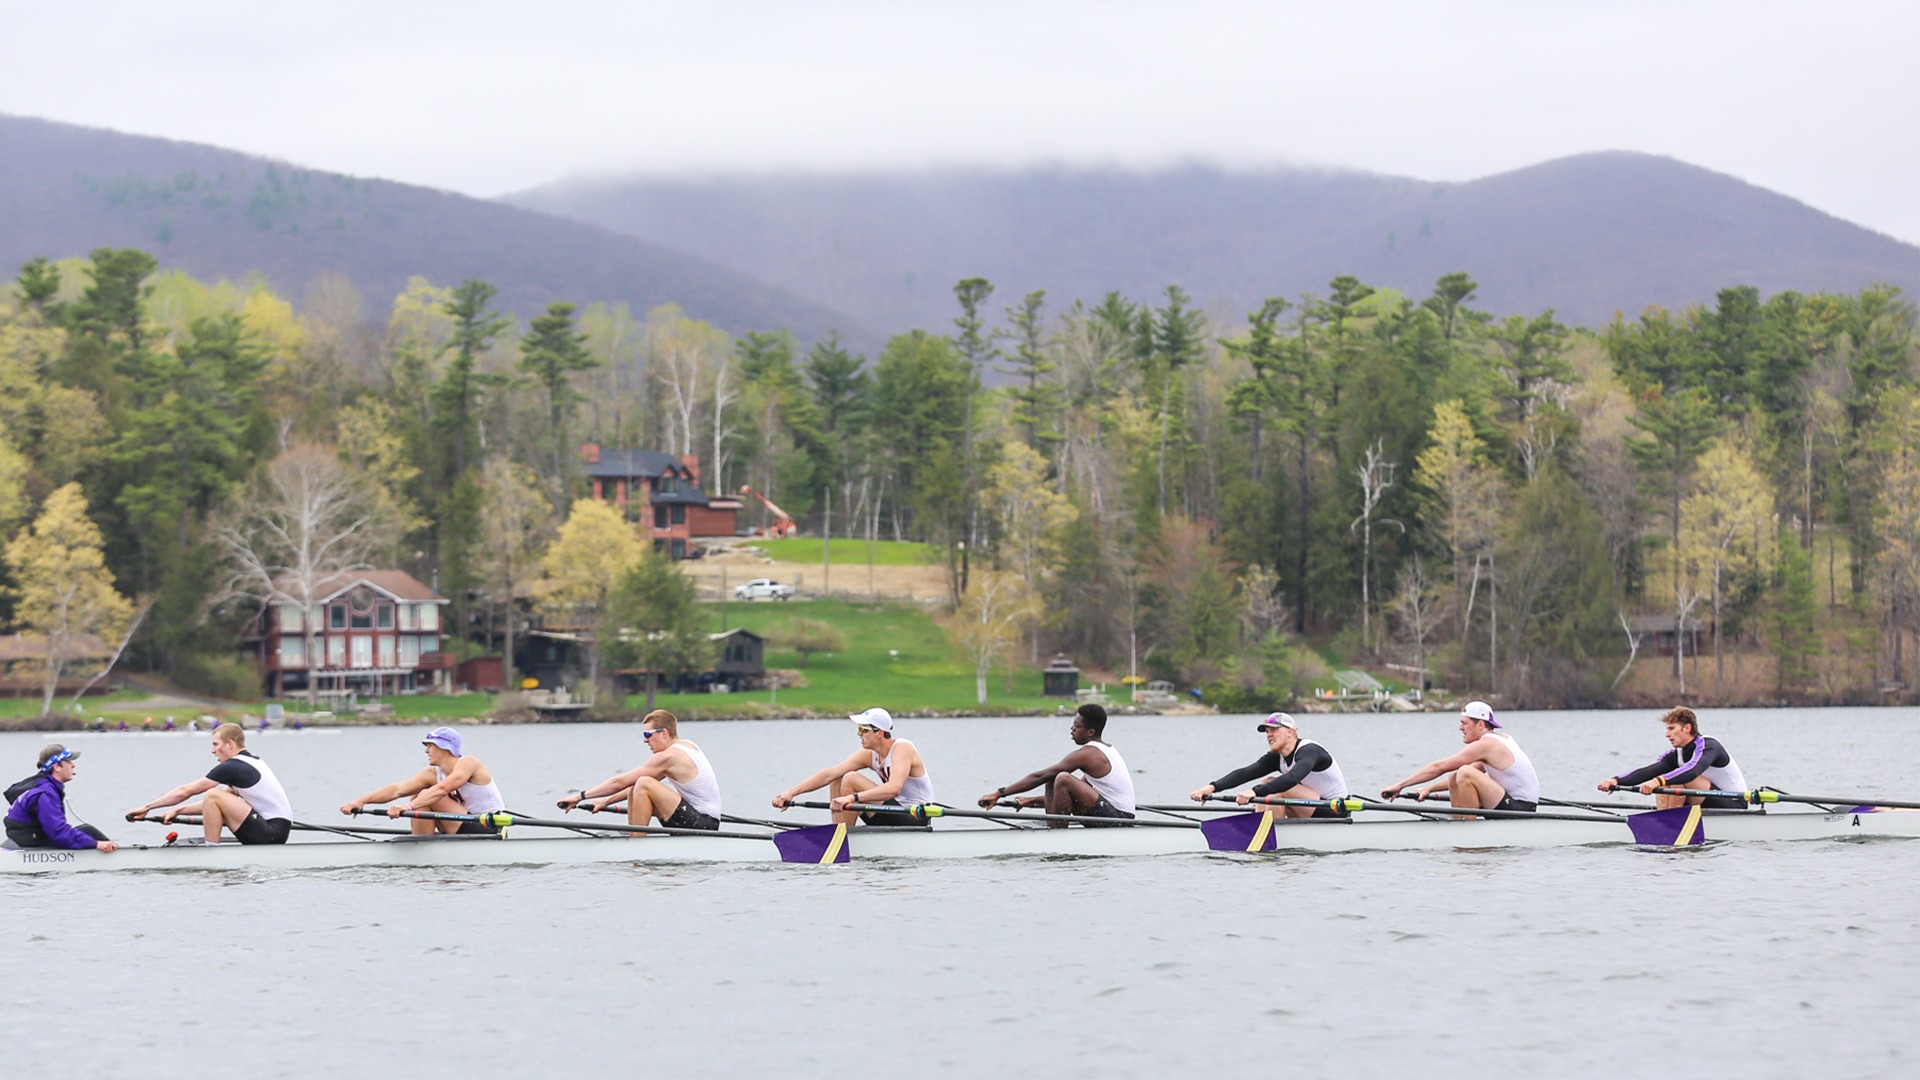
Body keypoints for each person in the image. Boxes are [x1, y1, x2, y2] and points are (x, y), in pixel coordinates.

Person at [125, 723, 294, 845]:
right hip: (276, 831)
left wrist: (147, 807)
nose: (212, 751)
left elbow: (186, 791)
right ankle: (212, 849)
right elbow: (217, 803)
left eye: (215, 745)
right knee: (218, 796)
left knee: (212, 794)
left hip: (270, 833)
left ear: (229, 744)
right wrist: (178, 810)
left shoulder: (233, 766)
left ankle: (211, 851)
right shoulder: (252, 761)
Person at [557, 709, 722, 833]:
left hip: (702, 824)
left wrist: (580, 796)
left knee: (643, 782)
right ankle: (636, 836)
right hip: (698, 819)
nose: (645, 740)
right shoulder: (687, 745)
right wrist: (605, 801)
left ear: (663, 733)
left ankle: (637, 843)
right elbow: (630, 785)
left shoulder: (670, 756)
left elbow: (619, 782)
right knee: (639, 785)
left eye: (648, 734)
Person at [977, 703, 1135, 827]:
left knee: (1062, 778)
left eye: (1077, 726)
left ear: (1090, 732)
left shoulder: (1089, 754)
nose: (1072, 729)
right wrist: (1030, 801)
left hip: (1120, 821)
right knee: (1054, 780)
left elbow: (1040, 776)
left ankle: (1057, 836)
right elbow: (1067, 797)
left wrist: (999, 793)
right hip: (1112, 814)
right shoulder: (1106, 750)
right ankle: (1055, 829)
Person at [772, 707, 933, 826]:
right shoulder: (869, 755)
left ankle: (844, 837)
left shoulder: (902, 748)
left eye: (863, 729)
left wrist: (852, 798)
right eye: (859, 729)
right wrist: (791, 793)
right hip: (891, 812)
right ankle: (838, 831)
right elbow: (829, 774)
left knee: (850, 778)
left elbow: (894, 788)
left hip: (914, 817)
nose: (859, 734)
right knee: (838, 778)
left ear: (879, 732)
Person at [1380, 700, 1540, 816]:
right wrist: (1430, 788)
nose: (1460, 728)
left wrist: (1400, 785)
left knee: (1463, 771)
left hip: (1521, 809)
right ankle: (1461, 822)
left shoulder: (1487, 745)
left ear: (1480, 725)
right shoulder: (1500, 740)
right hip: (1511, 804)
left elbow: (1439, 767)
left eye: (1465, 723)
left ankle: (1466, 829)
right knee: (1456, 775)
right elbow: (1464, 775)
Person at [339, 726, 506, 835]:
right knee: (419, 796)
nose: (426, 751)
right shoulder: (431, 774)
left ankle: (423, 848)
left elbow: (442, 789)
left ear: (444, 747)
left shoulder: (469, 763)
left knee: (425, 795)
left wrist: (407, 807)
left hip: (489, 828)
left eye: (430, 746)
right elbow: (397, 790)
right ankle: (422, 846)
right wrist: (361, 800)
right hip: (463, 826)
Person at [1189, 712, 1351, 817]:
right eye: (1267, 732)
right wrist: (1211, 788)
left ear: (1291, 732)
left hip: (1335, 810)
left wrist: (1254, 792)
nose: (1269, 735)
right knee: (1268, 784)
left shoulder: (1310, 751)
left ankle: (1269, 835)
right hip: (1310, 807)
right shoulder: (1277, 757)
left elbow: (1292, 778)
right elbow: (1245, 773)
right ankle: (1263, 830)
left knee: (1275, 788)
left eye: (1274, 730)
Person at [1598, 706, 1749, 809]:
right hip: (1706, 800)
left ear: (1687, 728)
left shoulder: (1709, 746)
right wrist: (1616, 780)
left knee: (1678, 777)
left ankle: (1670, 824)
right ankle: (1664, 820)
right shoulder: (1676, 754)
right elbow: (1649, 771)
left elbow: (1692, 771)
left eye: (1671, 729)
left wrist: (1657, 781)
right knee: (1663, 779)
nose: (1667, 734)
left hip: (1734, 803)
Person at [4, 745, 116, 852]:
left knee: (87, 830)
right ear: (57, 767)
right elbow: (58, 832)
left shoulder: (41, 785)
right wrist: (97, 844)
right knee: (89, 831)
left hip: (29, 840)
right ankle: (116, 854)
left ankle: (112, 849)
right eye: (68, 761)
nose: (73, 765)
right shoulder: (45, 793)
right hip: (33, 844)